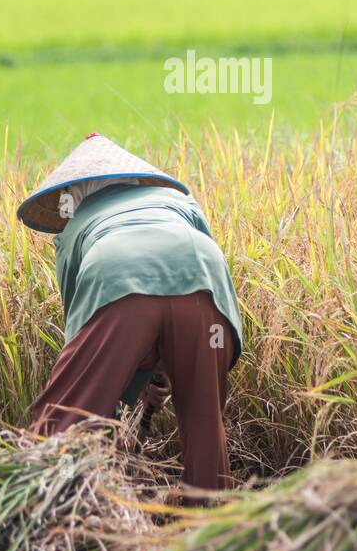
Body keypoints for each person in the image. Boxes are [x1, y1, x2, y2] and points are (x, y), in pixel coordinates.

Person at [18, 133, 242, 492]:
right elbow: (175, 293)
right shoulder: (178, 200)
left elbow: (87, 331)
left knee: (66, 418)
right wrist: (162, 370)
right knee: (204, 425)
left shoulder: (75, 224)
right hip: (203, 272)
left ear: (76, 192)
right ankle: (209, 527)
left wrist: (125, 386)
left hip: (114, 269)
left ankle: (38, 501)